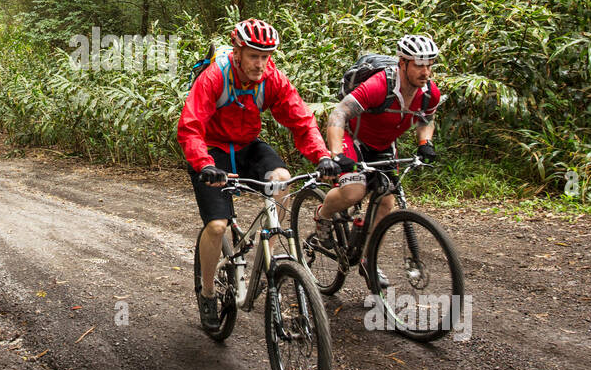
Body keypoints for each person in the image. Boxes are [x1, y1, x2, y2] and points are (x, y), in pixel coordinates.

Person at [178, 18, 339, 331]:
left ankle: (274, 260)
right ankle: (208, 292)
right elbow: (191, 126)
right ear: (237, 53)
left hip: (248, 146)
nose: (260, 63)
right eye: (254, 55)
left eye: (266, 56)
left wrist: (322, 155)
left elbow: (301, 121)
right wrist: (204, 163)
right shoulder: (215, 77)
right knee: (216, 225)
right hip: (212, 152)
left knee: (280, 177)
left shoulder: (272, 79)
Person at [314, 34, 442, 285]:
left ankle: (368, 259)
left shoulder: (429, 94)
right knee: (353, 192)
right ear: (403, 63)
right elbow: (338, 114)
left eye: (429, 65)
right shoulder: (378, 86)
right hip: (353, 138)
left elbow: (427, 119)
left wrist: (425, 142)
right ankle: (323, 214)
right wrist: (337, 154)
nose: (425, 71)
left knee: (386, 202)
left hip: (384, 146)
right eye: (419, 64)